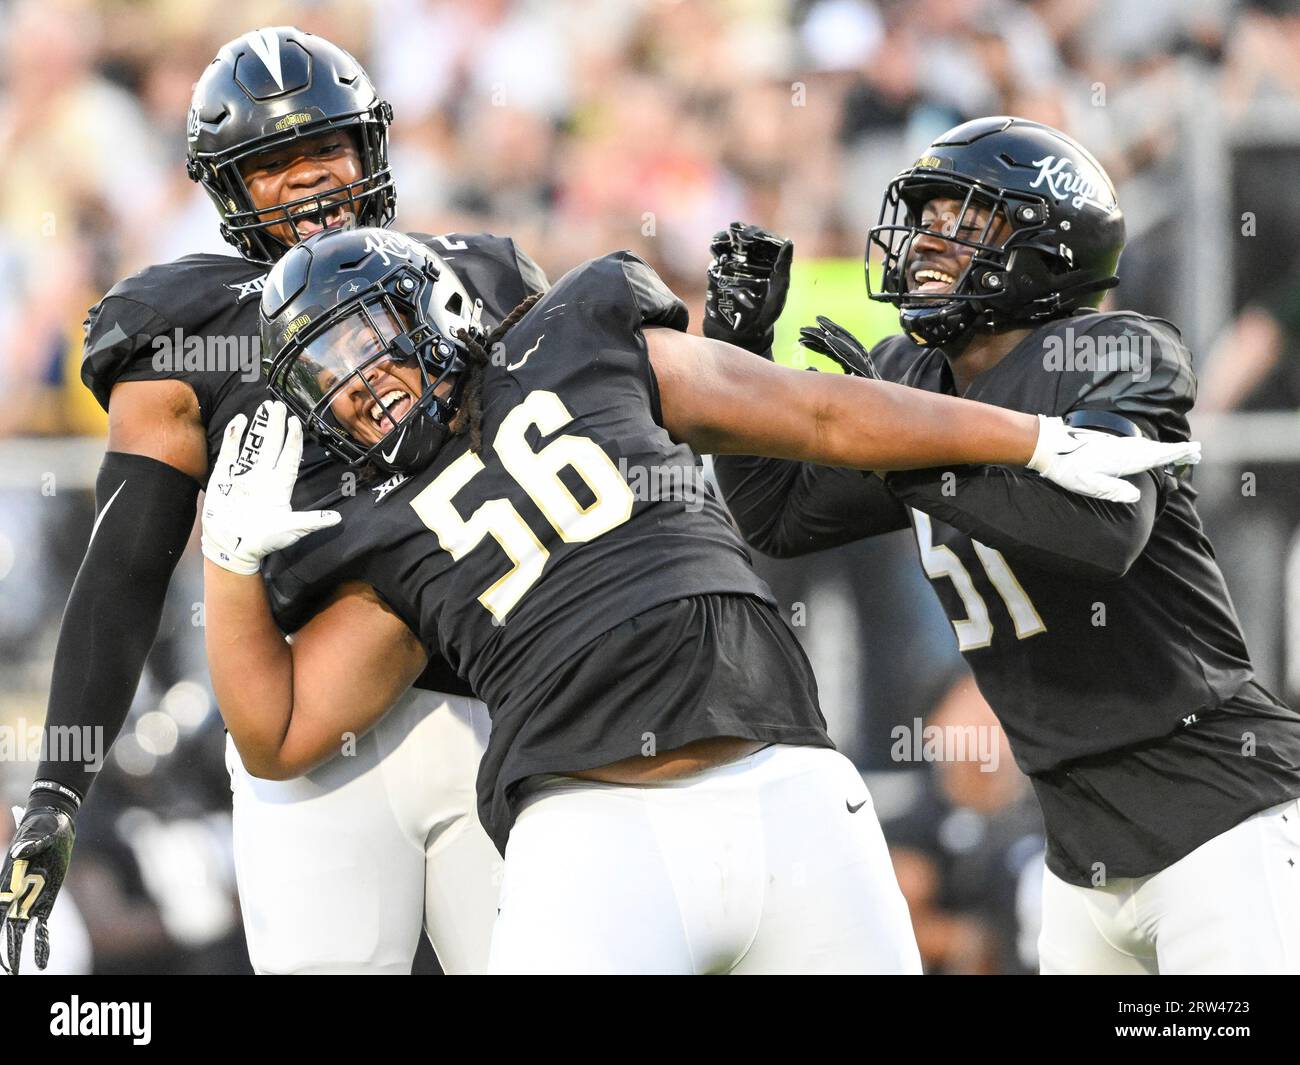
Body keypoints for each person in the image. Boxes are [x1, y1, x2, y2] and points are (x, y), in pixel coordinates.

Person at [197, 224, 1194, 974]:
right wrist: (230, 561)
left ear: (432, 306)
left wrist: (1024, 437)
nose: (355, 384)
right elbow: (276, 735)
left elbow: (815, 412)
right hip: (591, 834)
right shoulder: (379, 528)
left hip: (791, 790)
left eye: (360, 340)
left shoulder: (580, 338)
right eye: (320, 373)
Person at [0, 26, 547, 976]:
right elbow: (124, 563)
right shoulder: (186, 321)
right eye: (272, 164)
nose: (305, 180)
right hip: (303, 723)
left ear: (369, 150)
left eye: (322, 149)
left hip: (491, 705)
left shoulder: (482, 276)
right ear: (227, 191)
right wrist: (57, 790)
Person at [710, 116, 1300, 974]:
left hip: (1220, 823)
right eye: (926, 218)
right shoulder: (916, 376)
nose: (926, 243)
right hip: (1077, 848)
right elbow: (780, 517)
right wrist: (738, 357)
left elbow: (1100, 534)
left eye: (964, 221)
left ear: (1048, 247)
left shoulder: (1114, 349)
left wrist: (898, 447)